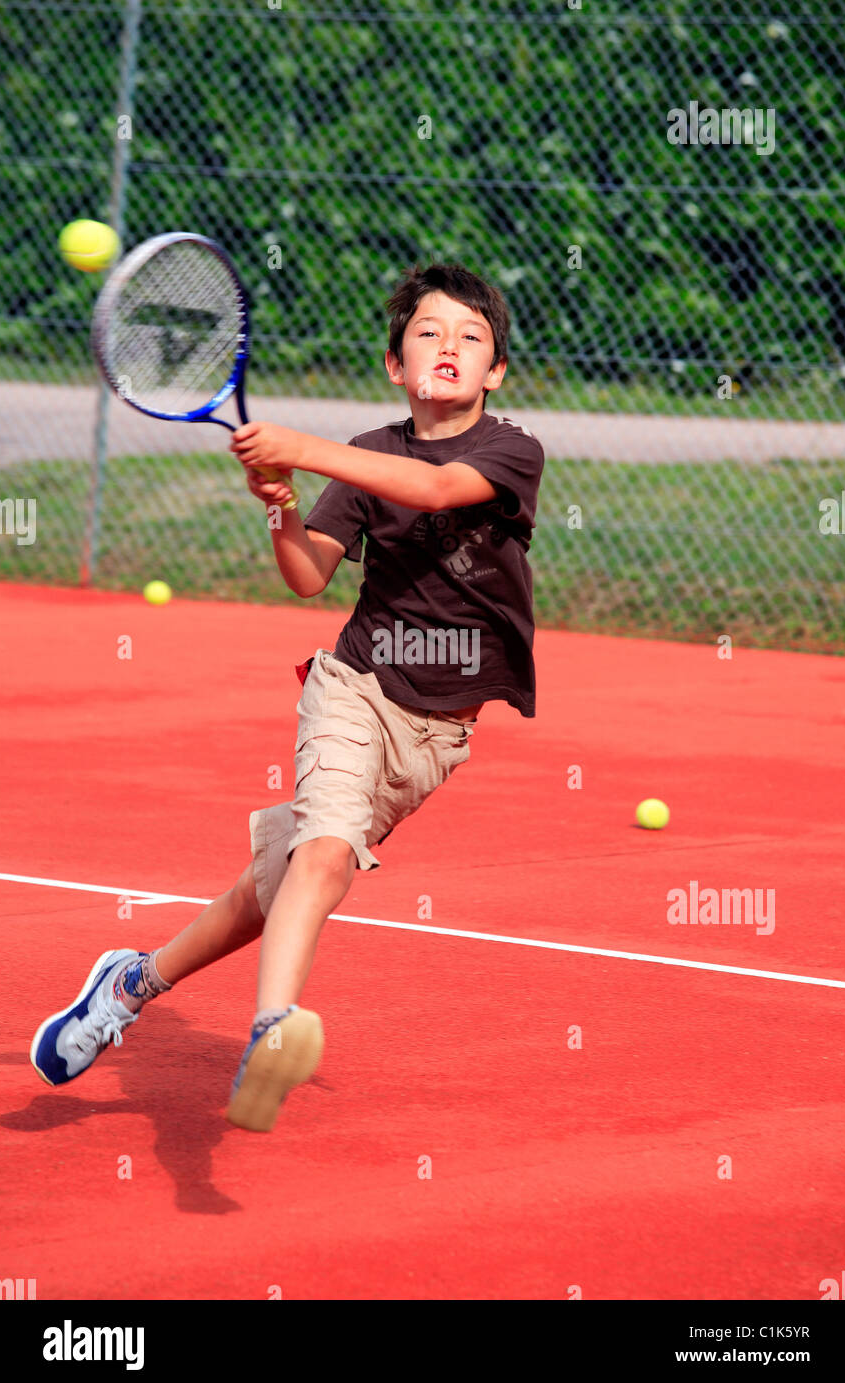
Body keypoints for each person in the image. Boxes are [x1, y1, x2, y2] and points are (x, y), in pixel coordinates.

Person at [30, 263, 545, 1132]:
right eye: (427, 331)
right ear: (394, 364)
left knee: (268, 891)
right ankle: (271, 1028)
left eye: (470, 335)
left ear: (494, 372)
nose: (448, 345)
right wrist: (278, 506)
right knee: (327, 856)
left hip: (435, 741)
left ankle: (128, 982)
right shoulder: (368, 454)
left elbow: (430, 490)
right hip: (353, 690)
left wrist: (296, 449)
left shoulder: (509, 451)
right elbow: (308, 575)